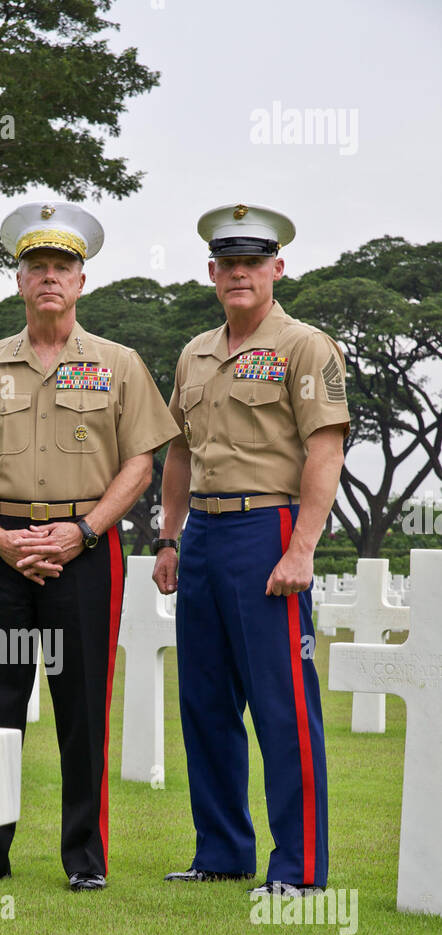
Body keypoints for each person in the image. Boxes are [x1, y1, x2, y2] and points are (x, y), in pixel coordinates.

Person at [0, 200, 179, 890]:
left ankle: (84, 861)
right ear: (19, 280)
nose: (49, 278)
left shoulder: (119, 366)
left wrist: (85, 530)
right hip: (2, 553)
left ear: (81, 281)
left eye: (62, 266)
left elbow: (140, 465)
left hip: (85, 554)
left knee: (83, 706)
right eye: (37, 266)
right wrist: (1, 540)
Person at [153, 203, 350, 893]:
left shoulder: (305, 347)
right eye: (228, 263)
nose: (240, 273)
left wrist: (302, 550)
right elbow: (178, 450)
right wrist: (169, 536)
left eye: (253, 262)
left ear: (277, 268)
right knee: (204, 703)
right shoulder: (195, 352)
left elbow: (325, 450)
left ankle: (298, 869)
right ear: (212, 272)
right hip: (203, 534)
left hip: (268, 530)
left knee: (283, 703)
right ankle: (223, 851)